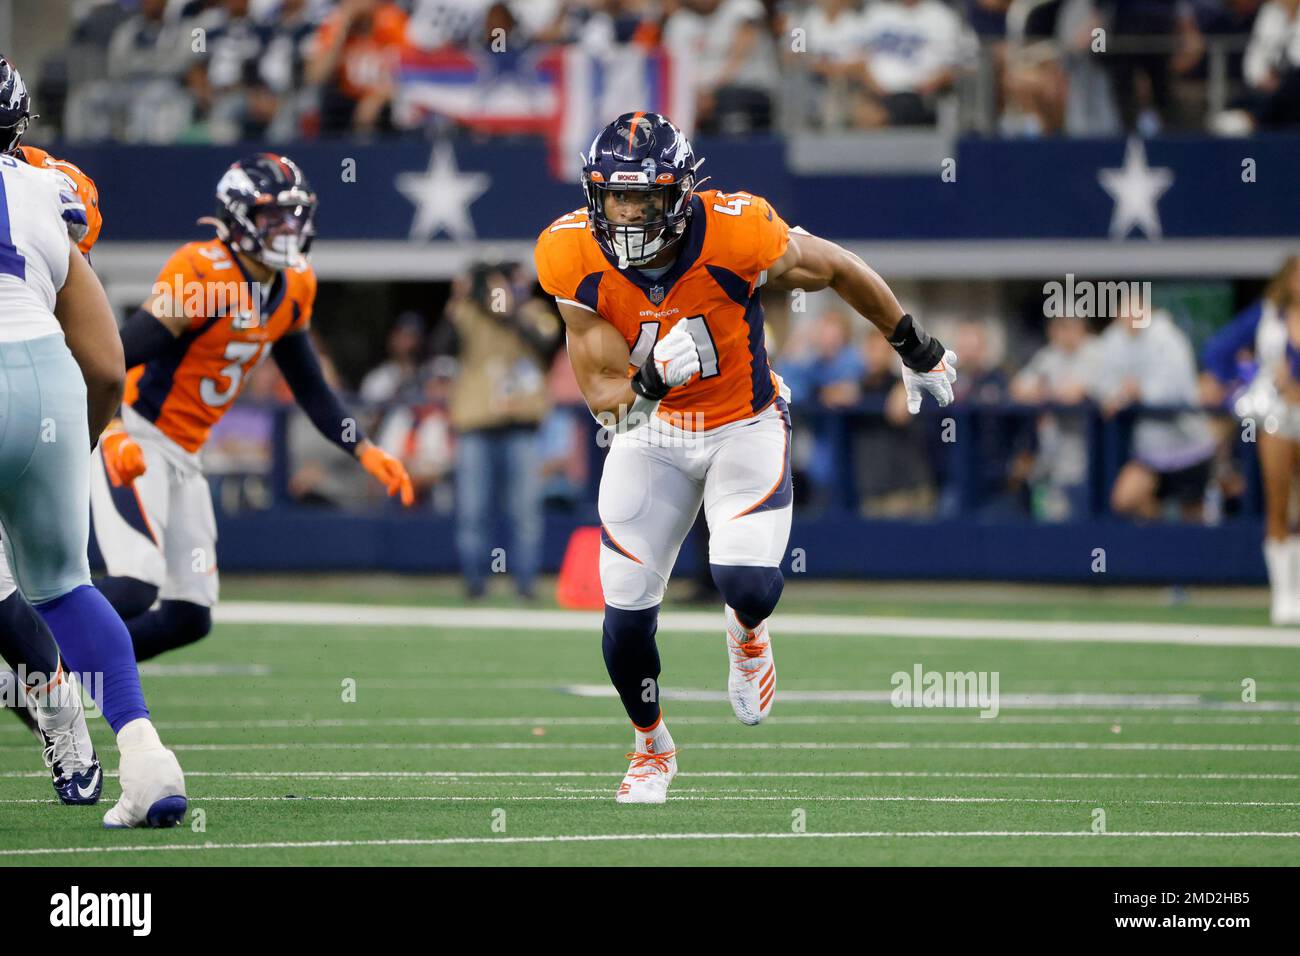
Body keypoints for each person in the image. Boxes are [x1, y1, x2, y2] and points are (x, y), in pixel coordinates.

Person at [534, 111, 958, 803]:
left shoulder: (738, 228)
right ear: (594, 196)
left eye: (645, 196)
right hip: (653, 433)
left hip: (743, 422)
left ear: (681, 195)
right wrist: (648, 382)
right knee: (625, 617)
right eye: (616, 196)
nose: (630, 212)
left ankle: (748, 634)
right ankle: (651, 749)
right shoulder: (567, 252)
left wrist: (911, 342)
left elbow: (838, 266)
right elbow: (607, 403)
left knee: (749, 584)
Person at [90, 154, 414, 662]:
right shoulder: (203, 272)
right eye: (272, 217)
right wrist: (110, 429)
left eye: (295, 215)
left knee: (188, 616)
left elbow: (309, 384)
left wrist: (364, 448)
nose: (288, 229)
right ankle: (30, 648)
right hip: (135, 435)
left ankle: (50, 673)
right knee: (136, 586)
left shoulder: (294, 284)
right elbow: (113, 357)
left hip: (184, 454)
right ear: (239, 218)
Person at [0, 57, 187, 827]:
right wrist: (70, 438)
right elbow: (108, 361)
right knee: (66, 586)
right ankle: (147, 761)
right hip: (48, 374)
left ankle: (50, 701)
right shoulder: (48, 189)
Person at [443, 261, 562, 599]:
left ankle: (525, 586)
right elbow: (443, 346)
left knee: (525, 512)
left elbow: (545, 343)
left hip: (521, 425)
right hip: (476, 425)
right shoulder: (467, 312)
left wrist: (510, 308)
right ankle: (475, 585)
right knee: (473, 510)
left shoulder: (535, 312)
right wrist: (460, 299)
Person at [1203, 255, 1300, 623]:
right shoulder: (1267, 317)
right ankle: (1284, 596)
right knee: (1278, 501)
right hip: (1276, 416)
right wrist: (1251, 376)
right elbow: (1216, 351)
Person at [1093, 304, 1217, 522]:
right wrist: (1116, 394)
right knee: (1126, 499)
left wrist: (1139, 391)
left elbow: (1177, 391)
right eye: (1122, 311)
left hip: (1188, 446)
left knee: (1193, 518)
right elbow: (1102, 381)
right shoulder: (1113, 339)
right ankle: (1161, 549)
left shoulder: (1169, 338)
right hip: (1149, 450)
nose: (1128, 317)